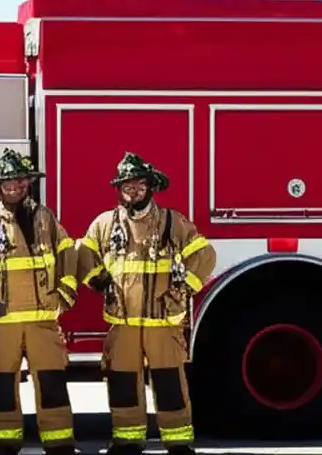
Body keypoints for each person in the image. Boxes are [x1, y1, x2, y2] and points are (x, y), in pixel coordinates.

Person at [76, 153, 217, 455]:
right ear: (119, 190)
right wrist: (100, 282)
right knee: (123, 384)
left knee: (170, 384)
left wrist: (183, 288)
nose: (133, 192)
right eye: (127, 187)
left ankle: (178, 442)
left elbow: (204, 255)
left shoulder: (172, 222)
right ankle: (127, 441)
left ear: (151, 187)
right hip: (122, 322)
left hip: (162, 322)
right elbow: (83, 254)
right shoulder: (105, 224)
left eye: (139, 186)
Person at [0, 149, 78, 455]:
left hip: (41, 321)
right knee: (1, 386)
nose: (15, 187)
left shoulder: (45, 218)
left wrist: (65, 293)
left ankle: (59, 443)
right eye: (9, 181)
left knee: (51, 383)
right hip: (1, 322)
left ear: (28, 183)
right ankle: (5, 442)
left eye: (21, 181)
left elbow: (68, 254)